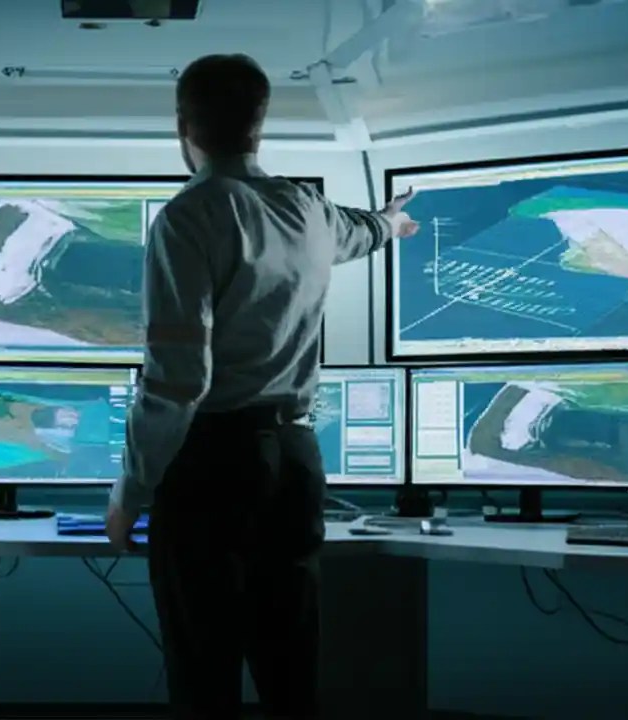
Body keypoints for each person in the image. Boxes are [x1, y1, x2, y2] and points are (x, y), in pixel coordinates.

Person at [105, 53, 420, 719]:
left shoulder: (189, 216)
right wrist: (392, 222)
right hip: (296, 462)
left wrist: (131, 491)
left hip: (214, 463)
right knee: (290, 666)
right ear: (259, 125)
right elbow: (362, 232)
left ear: (183, 125)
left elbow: (178, 377)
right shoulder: (305, 208)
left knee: (204, 670)